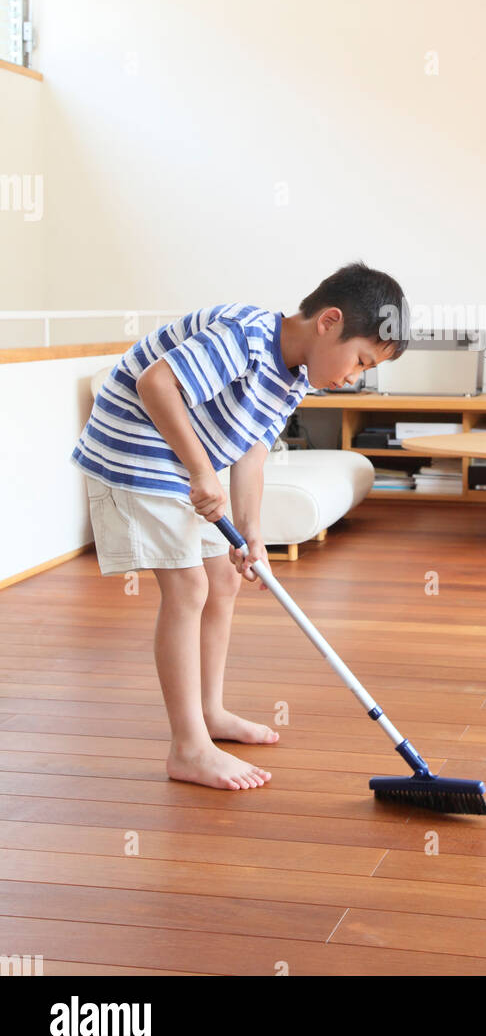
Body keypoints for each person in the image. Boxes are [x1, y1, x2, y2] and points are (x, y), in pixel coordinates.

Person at [70, 261, 408, 788]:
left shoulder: (296, 377)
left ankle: (210, 712)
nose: (353, 377)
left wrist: (252, 529)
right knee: (188, 586)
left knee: (224, 578)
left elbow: (252, 449)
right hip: (135, 449)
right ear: (328, 322)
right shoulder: (245, 336)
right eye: (360, 360)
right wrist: (203, 473)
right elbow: (156, 382)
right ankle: (188, 749)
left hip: (188, 460)